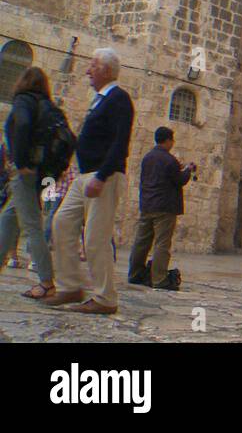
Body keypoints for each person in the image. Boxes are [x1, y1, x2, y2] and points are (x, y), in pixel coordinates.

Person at [45, 50, 134, 314]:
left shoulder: (118, 99)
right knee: (61, 223)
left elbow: (120, 143)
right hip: (83, 176)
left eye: (93, 66)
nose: (87, 71)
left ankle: (106, 298)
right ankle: (70, 285)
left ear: (106, 70)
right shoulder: (100, 100)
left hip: (102, 176)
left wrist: (102, 175)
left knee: (95, 238)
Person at [0, 67, 57, 300]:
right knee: (8, 217)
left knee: (32, 225)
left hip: (25, 170)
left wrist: (21, 161)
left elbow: (22, 125)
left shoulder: (24, 100)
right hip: (40, 170)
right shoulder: (47, 105)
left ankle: (46, 282)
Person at [128, 126, 194, 290]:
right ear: (168, 140)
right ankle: (159, 278)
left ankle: (135, 273)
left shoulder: (147, 158)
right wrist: (188, 170)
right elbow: (179, 180)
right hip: (164, 207)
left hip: (147, 204)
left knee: (141, 241)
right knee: (162, 243)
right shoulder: (169, 160)